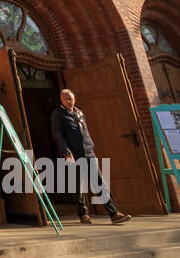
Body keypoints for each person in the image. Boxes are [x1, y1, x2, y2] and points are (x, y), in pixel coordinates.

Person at [50, 88, 132, 225]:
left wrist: (90, 146)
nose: (69, 101)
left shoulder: (79, 112)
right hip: (72, 155)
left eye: (71, 98)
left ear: (74, 98)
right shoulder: (58, 114)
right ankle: (83, 214)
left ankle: (114, 214)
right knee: (77, 186)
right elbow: (57, 134)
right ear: (61, 100)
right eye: (66, 99)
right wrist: (65, 151)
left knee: (99, 182)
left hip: (88, 153)